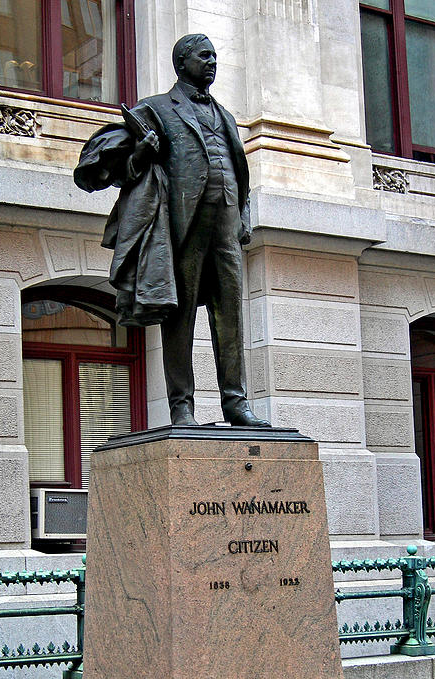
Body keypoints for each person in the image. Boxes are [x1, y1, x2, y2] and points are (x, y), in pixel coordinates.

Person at [73, 34, 270, 427]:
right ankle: (182, 407)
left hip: (226, 227)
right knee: (178, 318)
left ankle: (236, 402)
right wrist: (142, 152)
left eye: (215, 55)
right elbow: (109, 169)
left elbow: (238, 171)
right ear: (182, 63)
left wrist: (243, 218)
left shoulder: (227, 116)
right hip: (184, 227)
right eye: (204, 56)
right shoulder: (158, 109)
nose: (212, 62)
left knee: (230, 315)